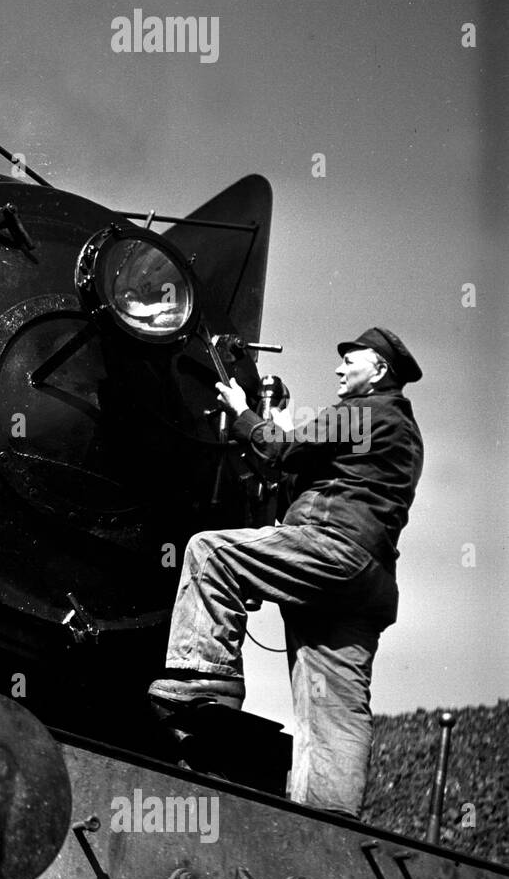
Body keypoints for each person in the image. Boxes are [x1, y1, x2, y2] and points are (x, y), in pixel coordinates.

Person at [148, 327, 424, 817]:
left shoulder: (366, 412)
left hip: (332, 551)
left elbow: (285, 452)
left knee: (210, 552)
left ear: (378, 370)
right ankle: (330, 822)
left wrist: (244, 413)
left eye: (351, 362)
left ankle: (202, 691)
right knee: (334, 707)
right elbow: (308, 475)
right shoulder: (405, 431)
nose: (339, 370)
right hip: (367, 585)